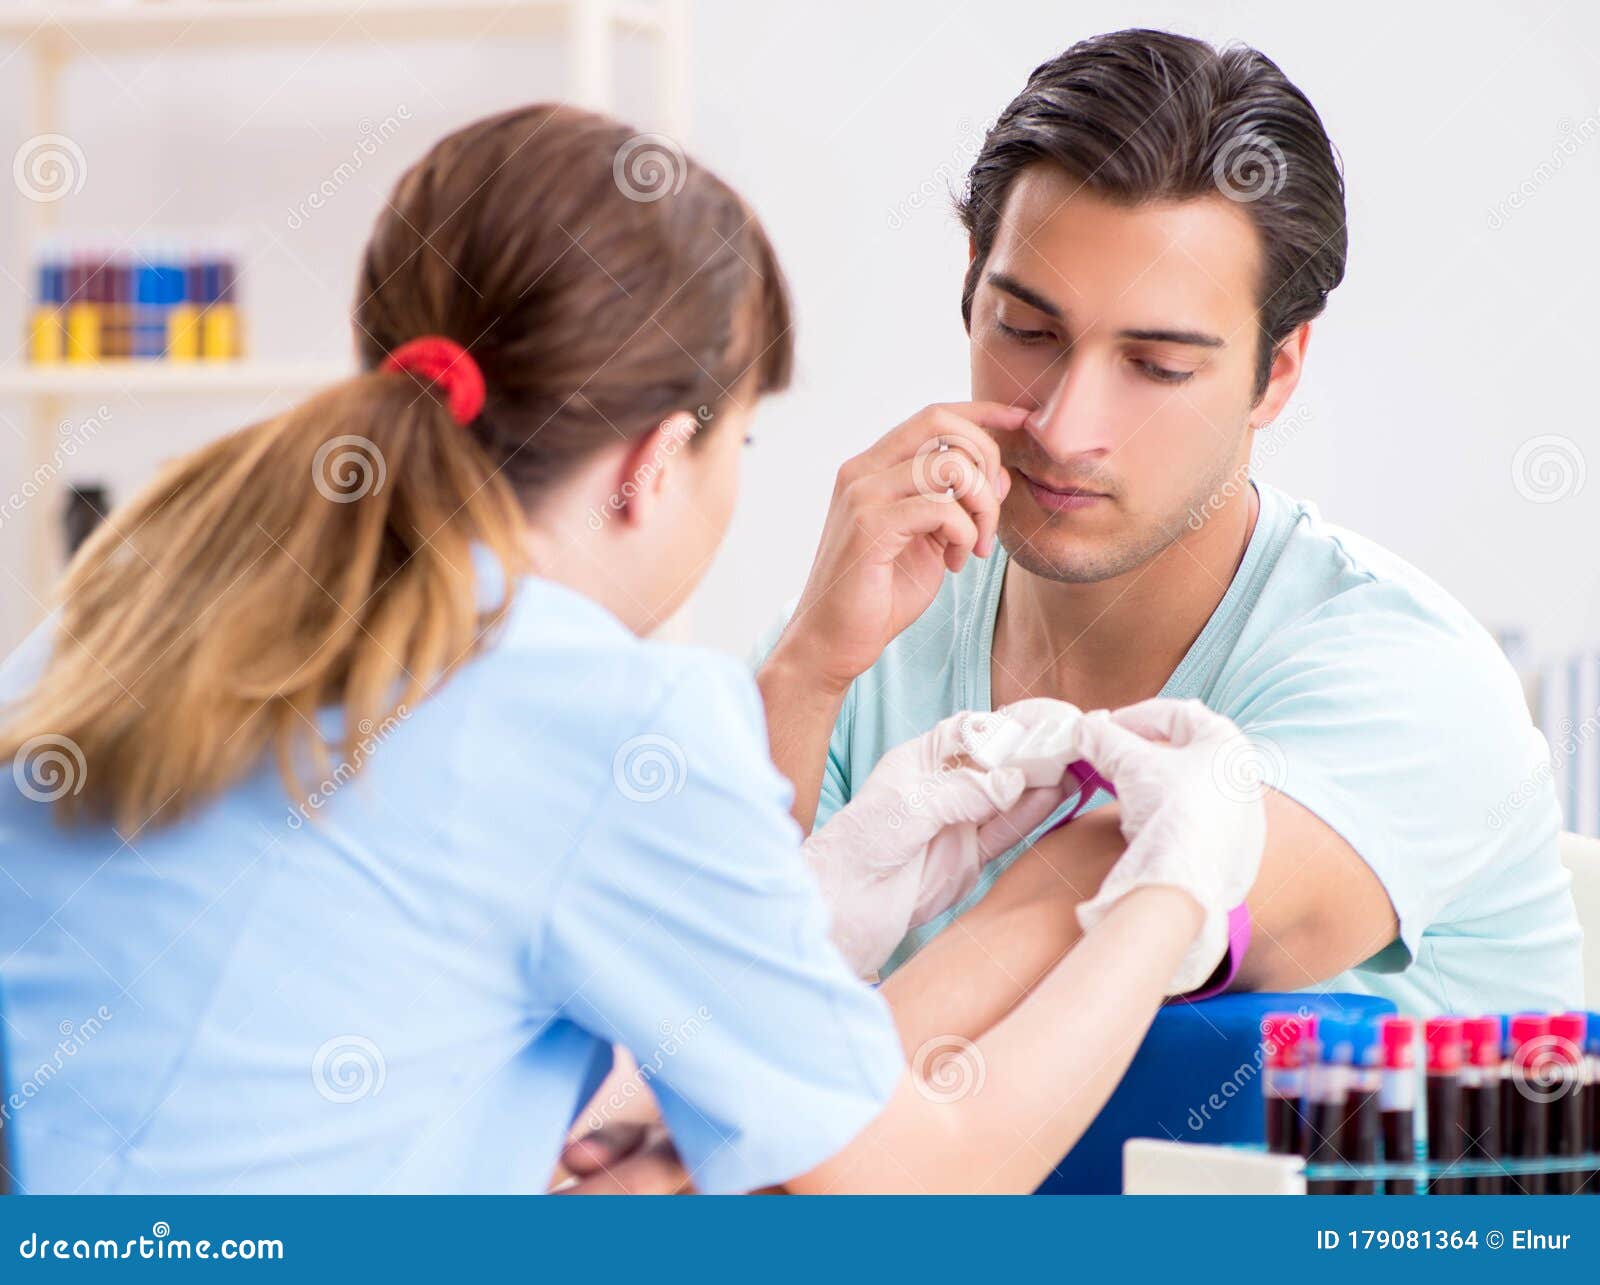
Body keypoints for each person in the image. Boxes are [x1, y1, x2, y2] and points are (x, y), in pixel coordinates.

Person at [0, 105, 1260, 1196]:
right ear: (659, 460)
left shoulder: (119, 614)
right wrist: (1172, 884)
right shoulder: (596, 709)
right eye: (740, 449)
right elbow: (902, 1183)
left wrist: (822, 734)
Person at [756, 27, 1583, 1031]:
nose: (1064, 428)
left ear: (1274, 373)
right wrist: (804, 672)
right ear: (971, 285)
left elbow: (1116, 923)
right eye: (1026, 331)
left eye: (1155, 366)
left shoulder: (1408, 679)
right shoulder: (868, 635)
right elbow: (668, 990)